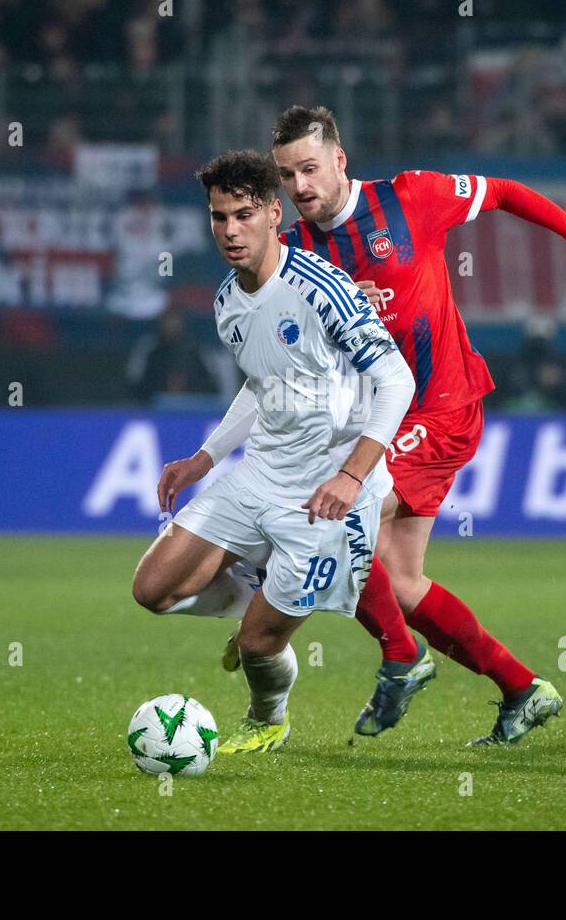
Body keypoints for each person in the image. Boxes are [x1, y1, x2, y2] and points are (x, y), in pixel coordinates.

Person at [261, 105, 566, 745]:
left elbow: (505, 192)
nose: (300, 186)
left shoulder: (412, 197)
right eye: (286, 175)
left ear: (339, 160)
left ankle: (400, 659)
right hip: (375, 424)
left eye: (309, 168)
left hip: (441, 409)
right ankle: (522, 689)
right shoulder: (293, 252)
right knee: (398, 580)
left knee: (332, 522)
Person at [131, 149, 415, 754]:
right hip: (260, 473)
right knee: (153, 589)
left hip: (324, 497)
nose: (230, 231)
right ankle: (260, 596)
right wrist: (204, 458)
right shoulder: (227, 300)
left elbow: (397, 382)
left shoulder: (324, 289)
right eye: (218, 217)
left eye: (243, 215)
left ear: (273, 214)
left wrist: (351, 475)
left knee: (260, 646)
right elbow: (262, 385)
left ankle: (268, 716)